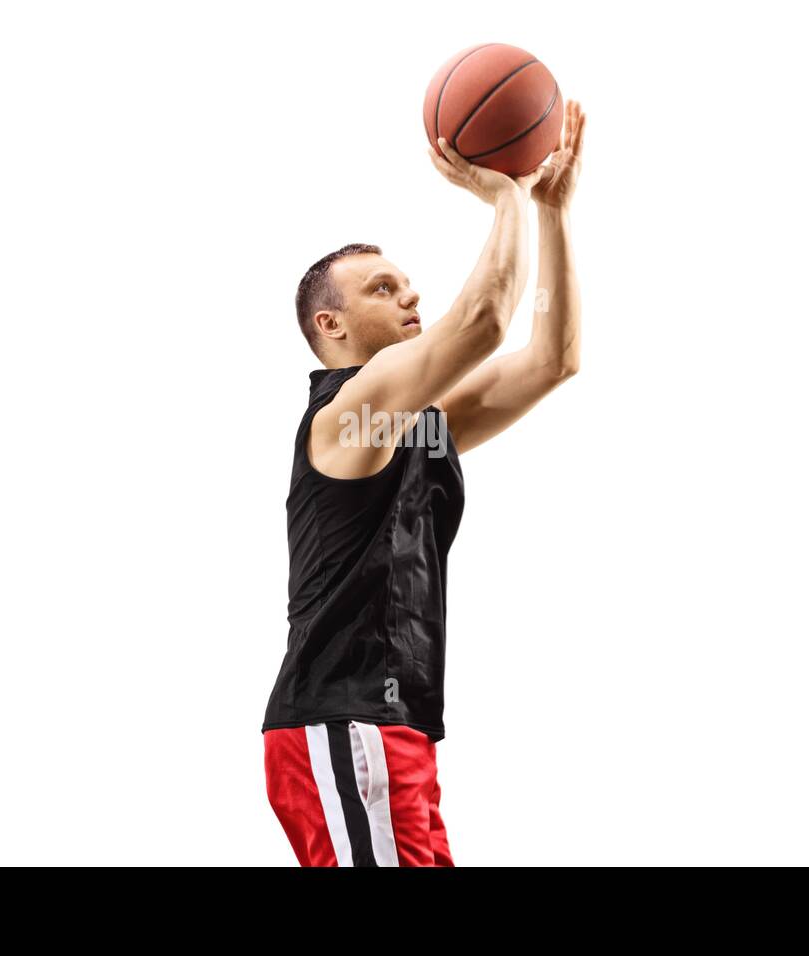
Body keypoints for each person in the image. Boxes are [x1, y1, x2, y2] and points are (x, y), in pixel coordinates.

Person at [262, 102, 587, 866]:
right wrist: (505, 196)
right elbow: (483, 321)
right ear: (331, 326)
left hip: (394, 729)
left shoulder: (416, 424)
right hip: (343, 724)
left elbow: (552, 359)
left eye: (407, 283)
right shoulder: (349, 415)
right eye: (382, 289)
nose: (411, 295)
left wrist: (551, 214)